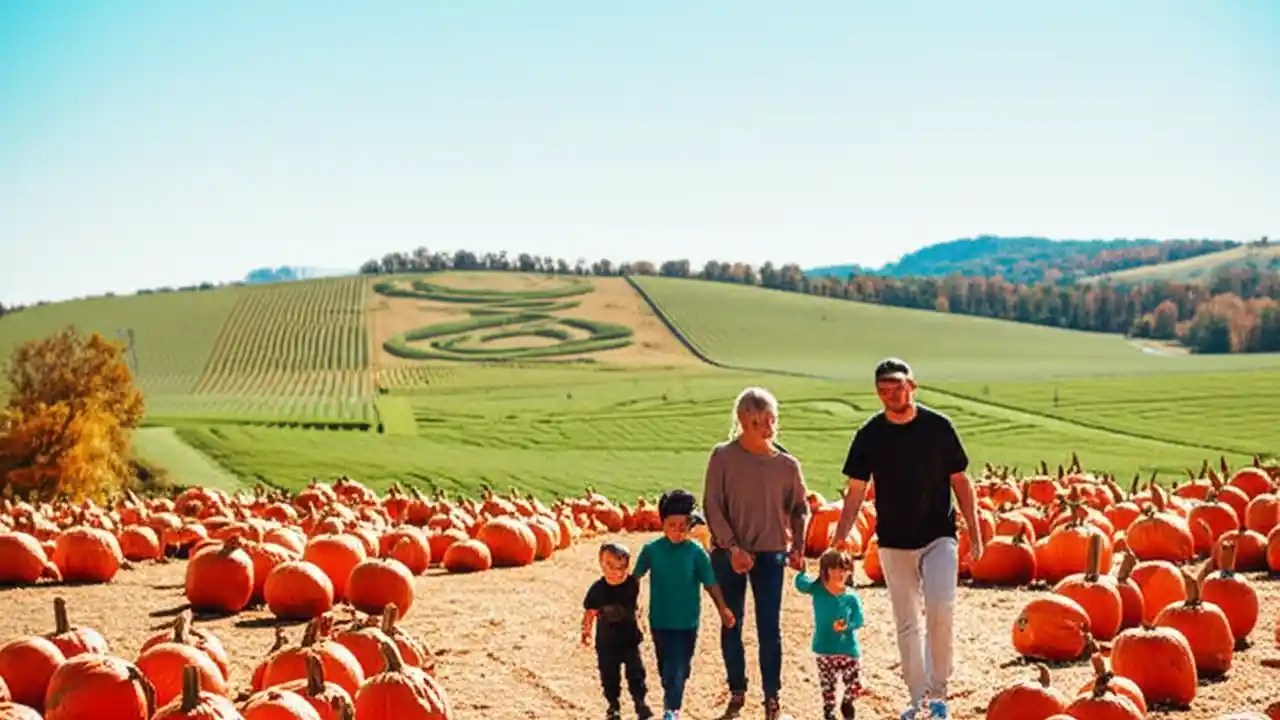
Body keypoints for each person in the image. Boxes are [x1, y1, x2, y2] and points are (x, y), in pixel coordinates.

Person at [829, 358, 983, 720]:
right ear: (877, 392)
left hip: (938, 536)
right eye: (884, 389)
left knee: (941, 606)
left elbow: (961, 481)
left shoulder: (939, 428)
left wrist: (975, 532)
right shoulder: (870, 435)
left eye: (897, 386)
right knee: (907, 621)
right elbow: (855, 491)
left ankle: (939, 693)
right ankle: (917, 699)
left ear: (912, 386)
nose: (891, 394)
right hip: (893, 541)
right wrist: (839, 535)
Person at [702, 386, 810, 720]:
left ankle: (772, 696)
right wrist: (733, 547)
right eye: (761, 419)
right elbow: (712, 505)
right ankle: (737, 688)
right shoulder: (722, 457)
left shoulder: (787, 465)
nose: (769, 425)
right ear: (743, 420)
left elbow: (800, 508)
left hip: (770, 554)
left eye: (772, 418)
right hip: (727, 553)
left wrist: (799, 545)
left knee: (769, 627)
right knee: (731, 621)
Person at [632, 488, 736, 720]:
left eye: (683, 526)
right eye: (672, 525)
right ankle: (672, 703)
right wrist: (627, 604)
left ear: (690, 525)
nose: (677, 531)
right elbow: (635, 578)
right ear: (663, 524)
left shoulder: (696, 553)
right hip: (660, 619)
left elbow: (710, 583)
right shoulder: (652, 551)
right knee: (666, 667)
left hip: (687, 622)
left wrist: (723, 608)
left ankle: (672, 708)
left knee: (680, 667)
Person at [582, 541, 655, 720]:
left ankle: (640, 702)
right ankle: (613, 706)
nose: (617, 572)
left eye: (622, 567)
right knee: (609, 675)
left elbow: (636, 606)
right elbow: (589, 613)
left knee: (636, 673)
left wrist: (640, 619)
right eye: (611, 567)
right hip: (606, 643)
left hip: (630, 639)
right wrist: (586, 632)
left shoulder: (631, 584)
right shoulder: (597, 590)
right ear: (601, 564)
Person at [794, 548, 865, 720]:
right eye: (833, 569)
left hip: (848, 650)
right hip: (824, 649)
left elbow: (859, 620)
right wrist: (801, 570)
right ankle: (829, 711)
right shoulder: (818, 589)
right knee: (828, 686)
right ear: (824, 571)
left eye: (843, 570)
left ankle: (847, 703)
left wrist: (847, 626)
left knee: (855, 684)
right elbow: (801, 584)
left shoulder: (851, 597)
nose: (839, 574)